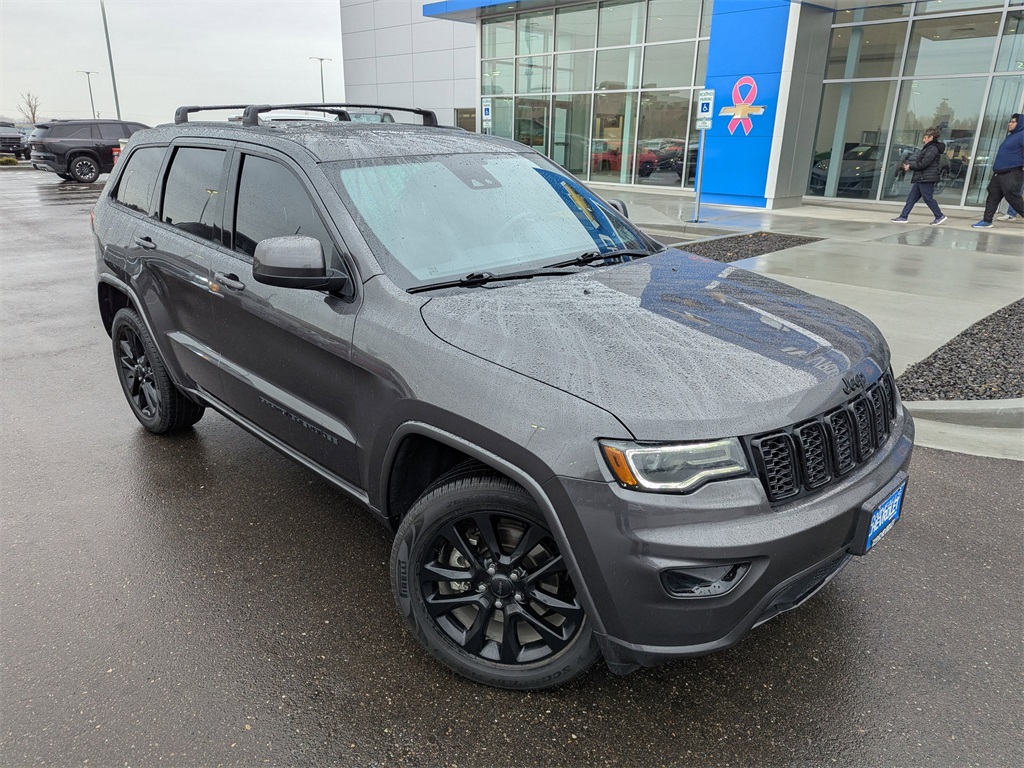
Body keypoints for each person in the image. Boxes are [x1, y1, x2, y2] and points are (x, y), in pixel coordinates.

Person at [973, 113, 1024, 228]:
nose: (1009, 124)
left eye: (1013, 122)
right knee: (993, 196)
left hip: (1012, 173)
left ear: (1020, 123)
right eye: (1010, 121)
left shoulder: (1022, 135)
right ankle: (987, 221)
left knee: (1013, 199)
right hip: (999, 173)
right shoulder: (1011, 136)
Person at [890, 127, 947, 225]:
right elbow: (922, 162)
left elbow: (924, 163)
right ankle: (903, 216)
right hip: (922, 177)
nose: (923, 140)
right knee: (911, 198)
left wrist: (910, 166)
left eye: (925, 137)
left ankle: (939, 215)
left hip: (926, 177)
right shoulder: (929, 148)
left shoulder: (932, 148)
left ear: (931, 137)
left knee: (927, 198)